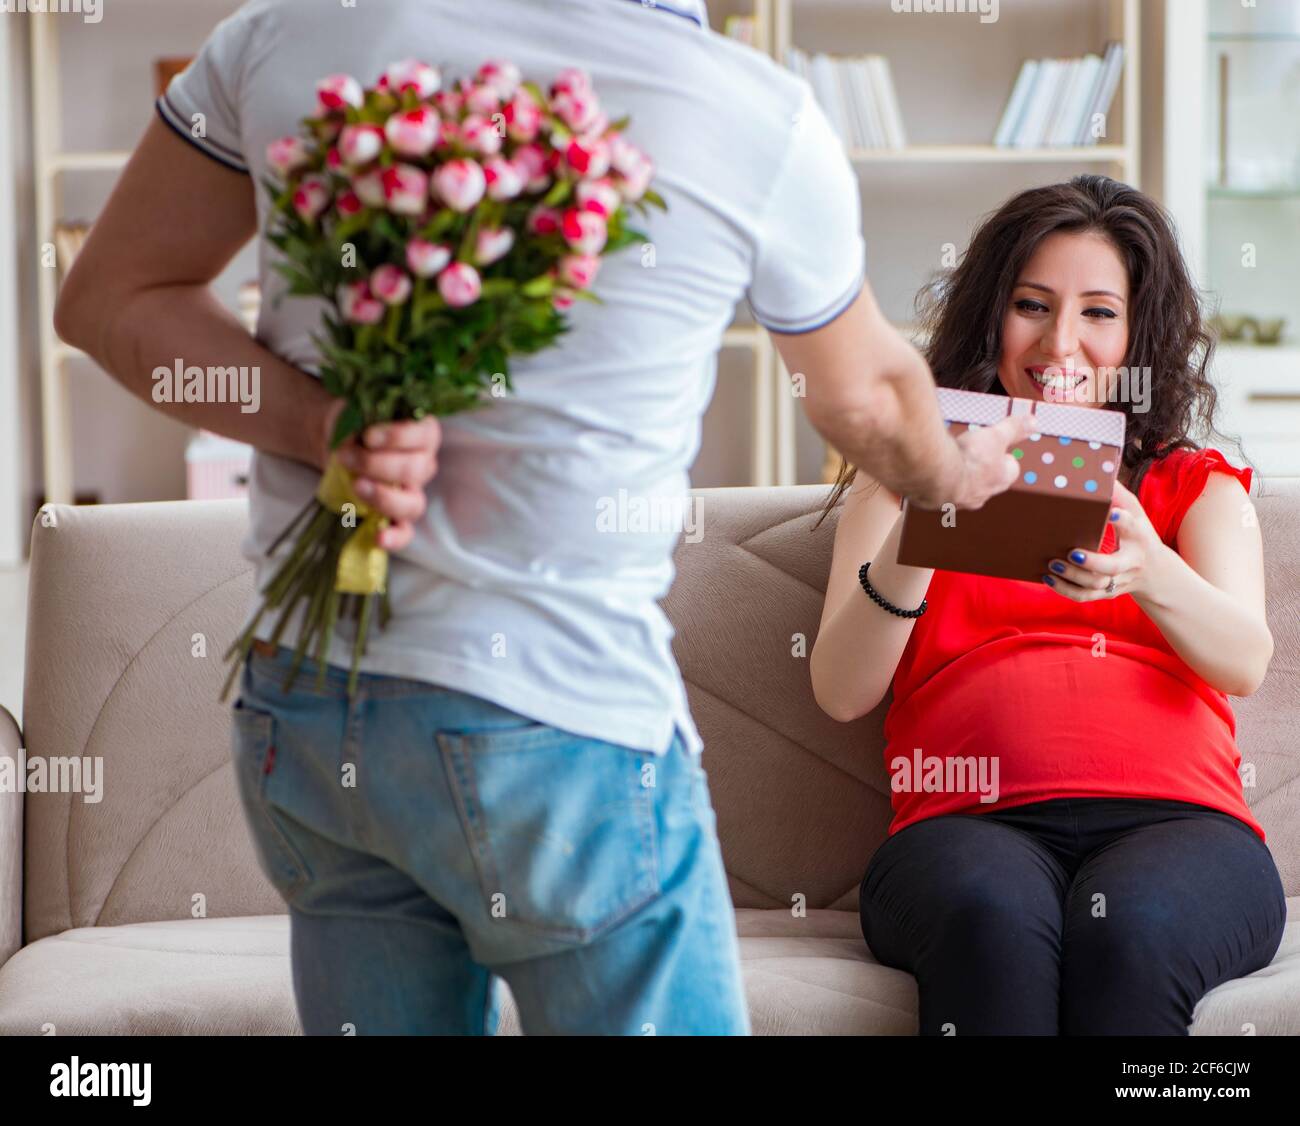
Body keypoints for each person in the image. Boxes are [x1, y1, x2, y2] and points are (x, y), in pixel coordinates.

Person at [53, 0, 1031, 1035]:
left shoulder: (289, 32)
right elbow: (869, 398)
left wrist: (322, 423)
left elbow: (111, 298)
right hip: (558, 727)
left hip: (311, 701)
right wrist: (954, 474)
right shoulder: (748, 110)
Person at [812, 174, 1286, 1036]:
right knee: (991, 927)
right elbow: (842, 689)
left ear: (1140, 333)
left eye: (1099, 312)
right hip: (966, 828)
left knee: (1133, 934)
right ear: (993, 315)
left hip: (1180, 830)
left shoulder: (1196, 488)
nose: (1060, 342)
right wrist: (930, 517)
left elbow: (1245, 659)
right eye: (1032, 305)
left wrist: (1152, 571)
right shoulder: (900, 486)